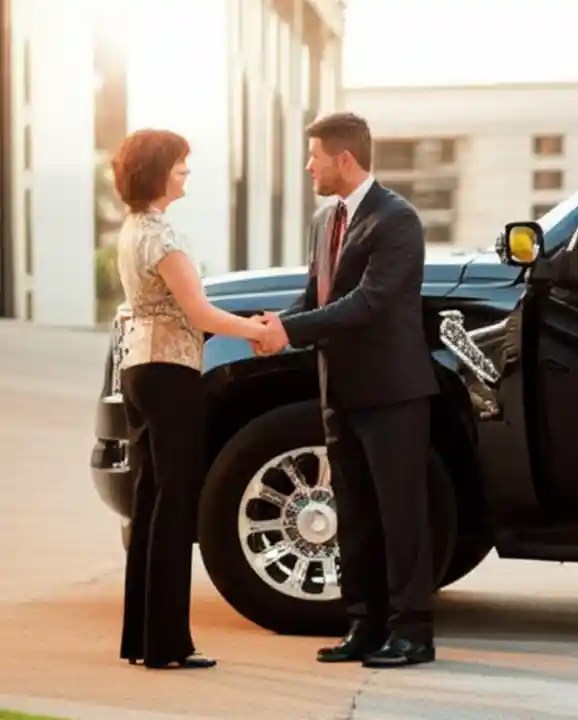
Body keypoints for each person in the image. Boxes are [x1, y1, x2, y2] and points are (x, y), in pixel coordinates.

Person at [252, 112, 439, 669]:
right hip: (341, 392)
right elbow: (317, 294)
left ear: (344, 159)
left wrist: (291, 330)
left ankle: (414, 634)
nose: (308, 165)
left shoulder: (397, 220)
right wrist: (274, 328)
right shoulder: (324, 220)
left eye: (314, 156)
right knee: (353, 515)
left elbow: (369, 303)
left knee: (401, 516)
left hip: (393, 395)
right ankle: (365, 626)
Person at [112, 129, 270, 670]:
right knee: (175, 506)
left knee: (152, 500)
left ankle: (142, 640)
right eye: (181, 164)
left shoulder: (133, 230)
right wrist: (256, 330)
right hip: (169, 370)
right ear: (158, 170)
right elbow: (200, 314)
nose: (186, 172)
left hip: (138, 368)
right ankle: (169, 645)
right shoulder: (164, 236)